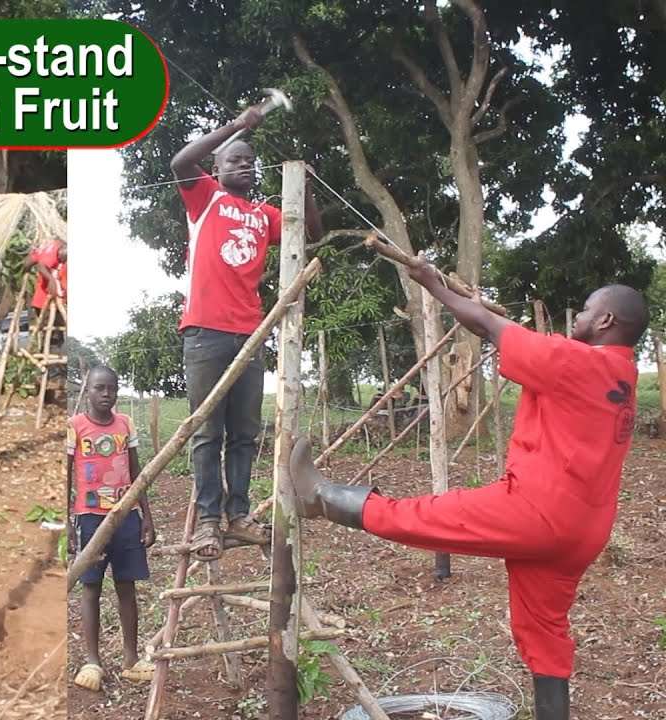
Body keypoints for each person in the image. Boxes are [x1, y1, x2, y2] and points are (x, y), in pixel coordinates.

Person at [289, 255, 649, 720]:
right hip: (584, 530)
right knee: (544, 629)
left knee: (425, 514)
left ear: (605, 320)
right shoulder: (621, 373)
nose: (576, 317)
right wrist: (479, 305)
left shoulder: (575, 362)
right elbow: (528, 341)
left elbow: (485, 327)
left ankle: (321, 497)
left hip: (537, 511)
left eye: (584, 310)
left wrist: (432, 285)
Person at [169, 103, 324, 561]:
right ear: (215, 168)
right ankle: (209, 522)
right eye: (235, 160)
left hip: (251, 336)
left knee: (243, 434)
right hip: (205, 334)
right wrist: (237, 125)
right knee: (205, 432)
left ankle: (238, 515)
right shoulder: (206, 199)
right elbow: (179, 162)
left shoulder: (264, 215)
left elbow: (312, 233)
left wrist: (307, 188)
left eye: (250, 161)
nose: (245, 165)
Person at [68, 365, 157, 692]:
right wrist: (68, 522)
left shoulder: (125, 424)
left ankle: (131, 660)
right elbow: (65, 476)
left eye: (112, 389)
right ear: (87, 391)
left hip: (125, 516)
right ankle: (93, 660)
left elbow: (136, 472)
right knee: (90, 586)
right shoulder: (75, 427)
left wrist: (146, 515)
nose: (106, 395)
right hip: (89, 518)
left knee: (126, 585)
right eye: (99, 388)